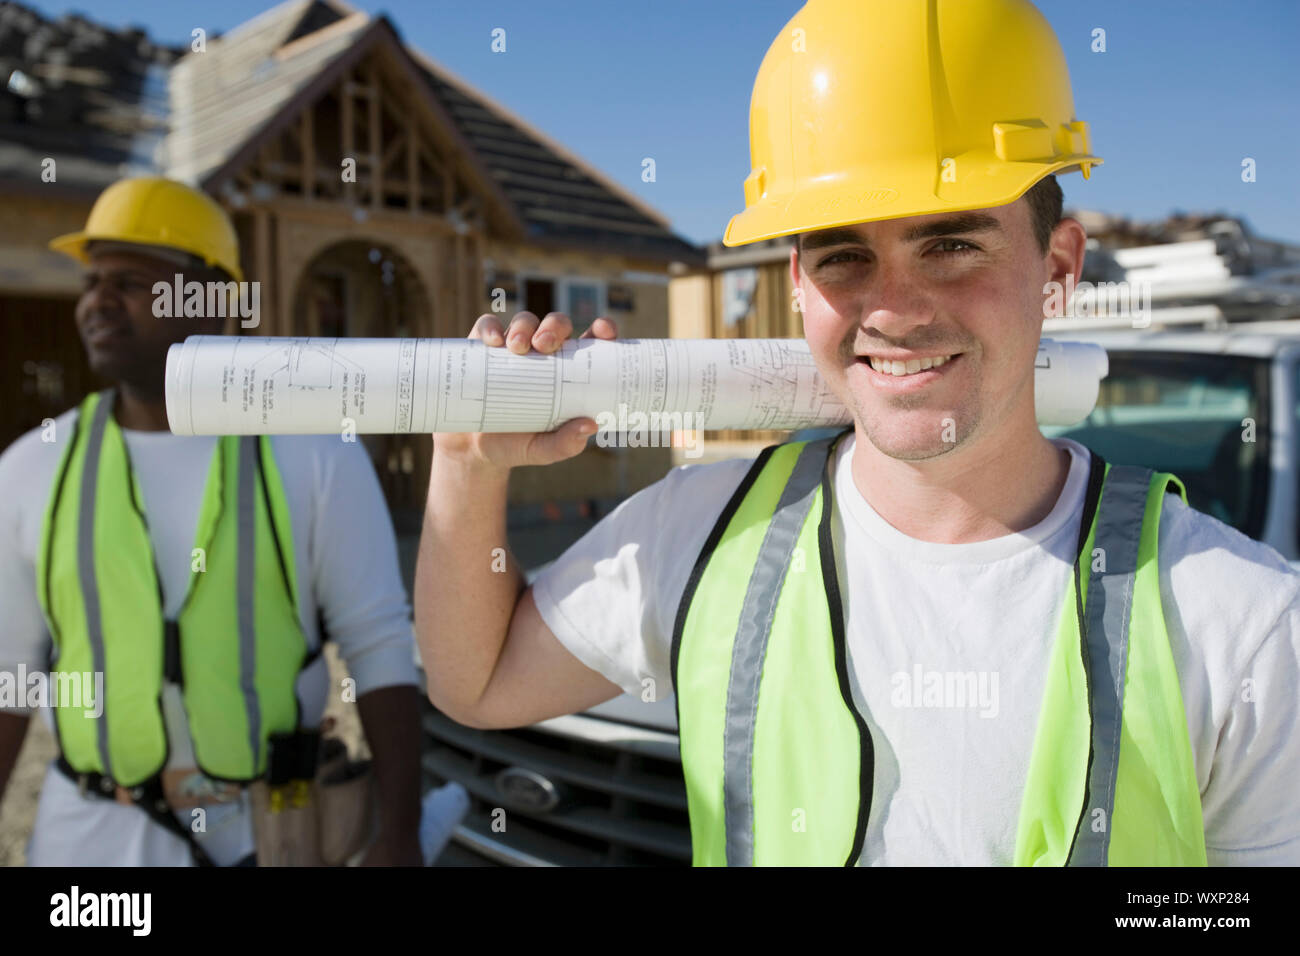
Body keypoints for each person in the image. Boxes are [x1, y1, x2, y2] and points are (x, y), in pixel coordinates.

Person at [414, 0, 1300, 865]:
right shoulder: (704, 533)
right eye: (846, 256)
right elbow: (478, 682)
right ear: (798, 282)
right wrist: (466, 462)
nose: (895, 309)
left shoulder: (1244, 620)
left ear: (1058, 266)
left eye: (951, 245)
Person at [0, 176, 423, 866]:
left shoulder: (314, 452)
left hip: (271, 831)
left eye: (130, 282)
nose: (97, 302)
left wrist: (399, 835)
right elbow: (7, 674)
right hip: (86, 846)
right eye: (91, 282)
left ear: (216, 302)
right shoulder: (30, 468)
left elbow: (379, 646)